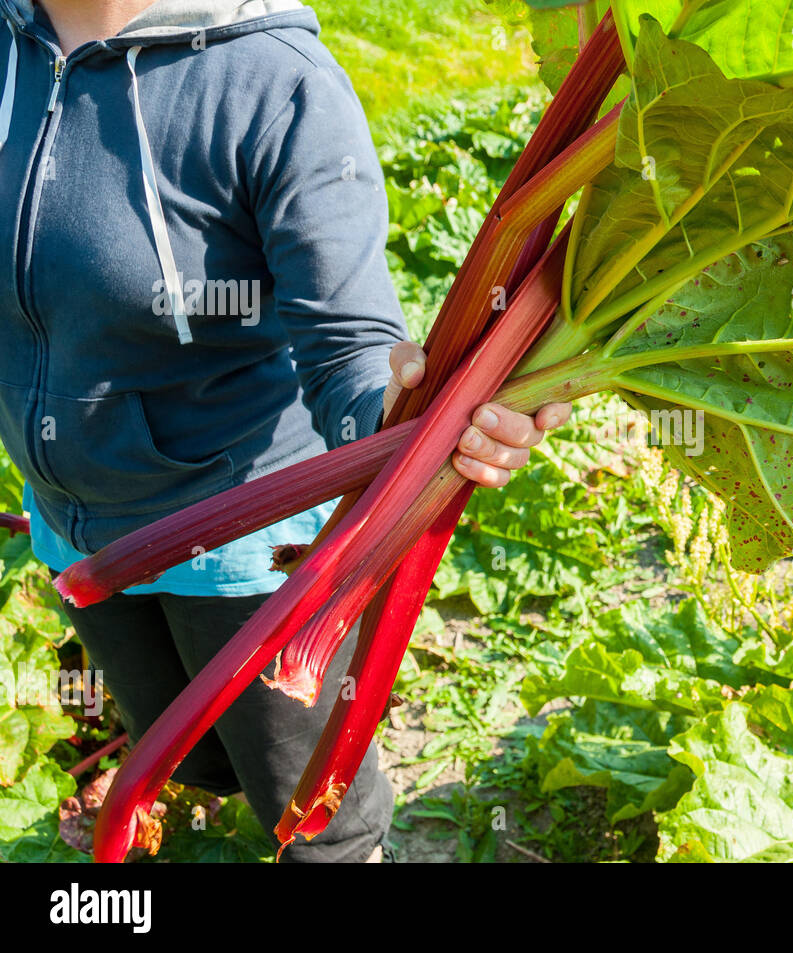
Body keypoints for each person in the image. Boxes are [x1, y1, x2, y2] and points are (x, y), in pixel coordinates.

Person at [0, 0, 571, 862]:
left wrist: (424, 424)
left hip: (242, 544)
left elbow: (349, 348)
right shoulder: (11, 49)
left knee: (313, 816)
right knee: (195, 762)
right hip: (72, 523)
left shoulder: (274, 84)